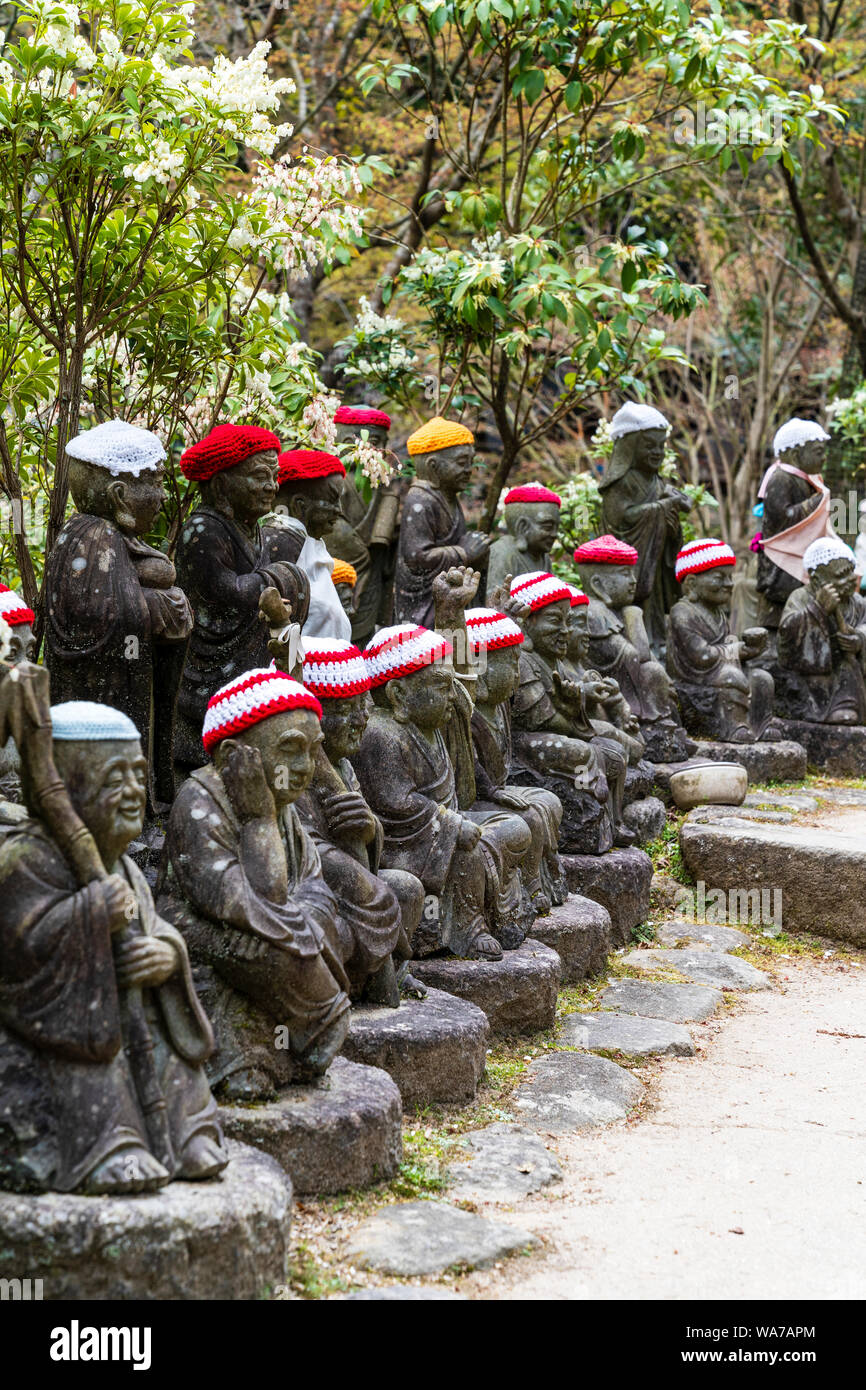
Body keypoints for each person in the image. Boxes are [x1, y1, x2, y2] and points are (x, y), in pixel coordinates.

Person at [0, 700, 226, 1194]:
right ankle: (112, 1148)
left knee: (173, 1056)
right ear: (61, 785)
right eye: (113, 777)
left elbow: (154, 928)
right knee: (94, 1063)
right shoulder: (25, 858)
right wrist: (86, 919)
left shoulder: (120, 864)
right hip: (66, 1022)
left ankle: (185, 1135)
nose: (132, 793)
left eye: (139, 776)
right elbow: (19, 957)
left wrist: (166, 958)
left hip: (132, 1013)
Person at [158, 669, 354, 1100]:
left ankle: (297, 1042)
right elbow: (240, 901)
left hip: (268, 931)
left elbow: (314, 887)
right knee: (268, 952)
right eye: (289, 750)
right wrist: (258, 820)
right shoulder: (199, 802)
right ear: (234, 756)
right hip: (204, 930)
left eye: (312, 751)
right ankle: (247, 1056)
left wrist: (292, 920)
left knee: (310, 936)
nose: (304, 768)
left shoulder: (282, 801)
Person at [353, 623, 530, 960]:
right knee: (467, 852)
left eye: (451, 686)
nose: (452, 695)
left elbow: (462, 775)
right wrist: (449, 824)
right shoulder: (382, 735)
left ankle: (502, 914)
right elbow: (397, 805)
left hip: (438, 831)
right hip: (403, 843)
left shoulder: (433, 727)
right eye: (441, 686)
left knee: (516, 828)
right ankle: (469, 928)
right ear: (399, 695)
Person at [43, 419, 192, 808]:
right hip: (102, 685)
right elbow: (108, 615)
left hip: (121, 678)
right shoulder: (95, 536)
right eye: (156, 483)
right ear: (120, 495)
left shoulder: (109, 535)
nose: (162, 496)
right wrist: (166, 604)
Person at [174, 423, 309, 775]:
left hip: (248, 650)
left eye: (274, 476)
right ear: (220, 486)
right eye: (260, 476)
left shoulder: (254, 528)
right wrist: (278, 577)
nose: (272, 486)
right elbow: (225, 594)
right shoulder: (202, 529)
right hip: (211, 658)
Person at [297, 636, 427, 1002]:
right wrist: (351, 873)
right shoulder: (293, 772)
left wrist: (370, 829)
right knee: (365, 902)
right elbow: (300, 847)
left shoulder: (345, 767)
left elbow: (370, 840)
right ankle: (356, 984)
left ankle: (392, 971)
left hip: (355, 877)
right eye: (346, 710)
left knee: (406, 888)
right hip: (317, 883)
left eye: (364, 707)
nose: (360, 721)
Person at [508, 571, 635, 854]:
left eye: (568, 622)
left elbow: (567, 699)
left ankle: (612, 821)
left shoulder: (552, 661)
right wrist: (572, 708)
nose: (565, 630)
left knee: (614, 754)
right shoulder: (524, 662)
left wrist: (579, 698)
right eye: (555, 621)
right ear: (527, 624)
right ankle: (586, 811)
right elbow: (538, 718)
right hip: (523, 742)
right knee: (585, 753)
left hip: (555, 731)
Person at [465, 605, 566, 915]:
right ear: (479, 670)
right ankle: (531, 883)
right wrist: (493, 792)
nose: (518, 674)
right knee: (531, 817)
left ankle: (546, 873)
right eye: (511, 664)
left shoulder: (499, 707)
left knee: (549, 802)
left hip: (500, 788)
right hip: (478, 798)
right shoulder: (467, 714)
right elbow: (470, 764)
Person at [573, 533, 692, 760]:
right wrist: (634, 619)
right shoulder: (594, 613)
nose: (633, 580)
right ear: (598, 584)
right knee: (652, 672)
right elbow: (633, 657)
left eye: (632, 572)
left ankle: (664, 729)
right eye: (624, 573)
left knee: (656, 673)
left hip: (632, 685)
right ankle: (649, 724)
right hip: (613, 690)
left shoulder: (618, 611)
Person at [598, 402, 691, 652]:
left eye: (661, 446)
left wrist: (670, 517)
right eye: (650, 445)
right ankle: (640, 646)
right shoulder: (621, 482)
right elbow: (621, 520)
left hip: (656, 559)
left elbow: (669, 510)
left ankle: (658, 642)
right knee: (637, 610)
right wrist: (662, 508)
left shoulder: (656, 480)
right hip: (634, 562)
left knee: (656, 608)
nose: (658, 452)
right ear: (630, 447)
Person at [666, 539, 776, 743]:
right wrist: (738, 649)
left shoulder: (718, 613)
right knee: (732, 676)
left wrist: (750, 651)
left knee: (762, 677)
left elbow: (728, 647)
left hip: (719, 671)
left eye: (730, 577)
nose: (729, 584)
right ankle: (733, 726)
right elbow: (701, 655)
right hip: (694, 678)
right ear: (691, 583)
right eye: (719, 577)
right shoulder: (682, 612)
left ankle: (761, 725)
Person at [394, 417, 490, 625]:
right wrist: (463, 553)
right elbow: (416, 557)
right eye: (462, 463)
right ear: (434, 466)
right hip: (422, 602)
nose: (469, 470)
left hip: (449, 593)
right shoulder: (420, 500)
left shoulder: (450, 499)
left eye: (471, 463)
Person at [755, 418, 834, 643]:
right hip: (781, 556)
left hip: (801, 552)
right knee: (779, 608)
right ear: (796, 455)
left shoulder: (809, 480)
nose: (824, 457)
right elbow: (781, 517)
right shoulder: (780, 478)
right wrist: (814, 503)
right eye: (818, 452)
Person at [777, 536, 866, 725]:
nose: (851, 579)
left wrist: (858, 639)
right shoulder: (800, 597)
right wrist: (817, 610)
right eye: (841, 575)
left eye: (852, 571)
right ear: (817, 580)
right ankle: (836, 707)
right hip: (817, 676)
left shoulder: (857, 602)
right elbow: (787, 633)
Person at [265, 448, 352, 640]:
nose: (339, 510)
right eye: (332, 500)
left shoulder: (308, 543)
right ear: (299, 506)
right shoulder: (283, 541)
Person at [487, 483, 562, 592]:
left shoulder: (543, 557)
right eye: (548, 527)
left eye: (557, 527)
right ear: (522, 527)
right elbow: (494, 600)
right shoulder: (502, 553)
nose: (554, 534)